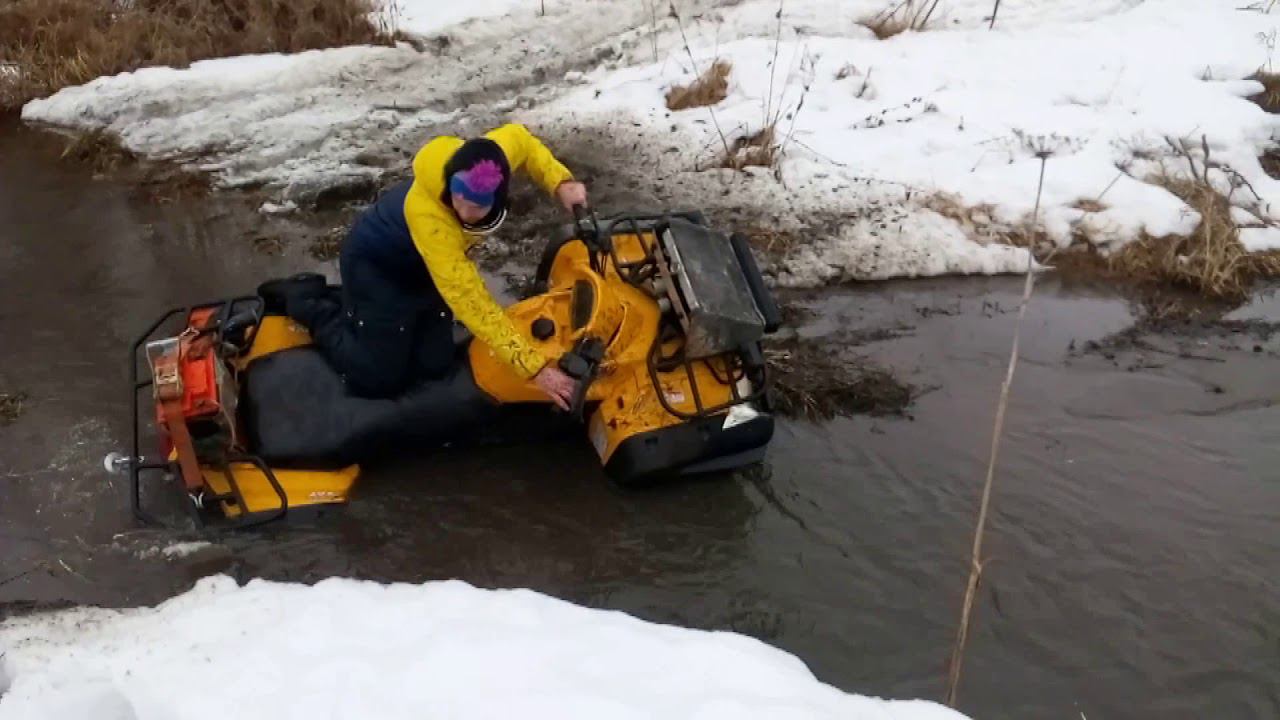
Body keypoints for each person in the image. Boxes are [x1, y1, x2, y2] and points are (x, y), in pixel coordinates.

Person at [279, 123, 586, 409]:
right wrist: (534, 369)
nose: (464, 212)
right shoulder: (431, 219)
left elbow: (521, 139)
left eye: (477, 205)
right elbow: (470, 300)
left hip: (425, 269)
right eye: (458, 197)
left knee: (435, 366)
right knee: (378, 378)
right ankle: (313, 305)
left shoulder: (489, 159)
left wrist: (561, 182)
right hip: (378, 268)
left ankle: (364, 313)